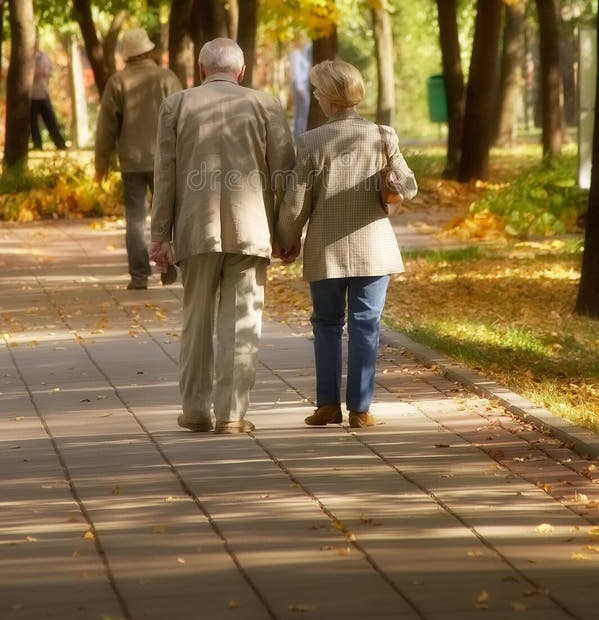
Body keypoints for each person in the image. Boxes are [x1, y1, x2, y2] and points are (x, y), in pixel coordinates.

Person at [150, 38, 295, 435]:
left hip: (195, 229)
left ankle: (195, 410)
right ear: (241, 72)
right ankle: (231, 414)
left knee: (196, 319)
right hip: (251, 229)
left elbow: (164, 175)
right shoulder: (265, 105)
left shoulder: (176, 105)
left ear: (200, 70)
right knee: (242, 320)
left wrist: (160, 235)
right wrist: (286, 233)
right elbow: (285, 174)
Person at [276, 59, 417, 429]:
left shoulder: (310, 141)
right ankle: (360, 410)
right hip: (374, 247)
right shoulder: (384, 136)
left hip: (326, 248)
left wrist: (286, 240)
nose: (317, 98)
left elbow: (296, 200)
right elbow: (409, 187)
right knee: (366, 324)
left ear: (331, 97)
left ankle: (327, 405)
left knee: (325, 323)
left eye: (318, 91)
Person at [95, 28, 182, 290]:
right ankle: (170, 264)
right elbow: (183, 117)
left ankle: (139, 276)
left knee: (135, 218)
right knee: (171, 214)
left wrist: (101, 164)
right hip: (165, 159)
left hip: (131, 161)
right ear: (149, 50)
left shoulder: (117, 82)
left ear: (127, 55)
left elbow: (106, 127)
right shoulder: (166, 78)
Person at [30, 43, 67, 150]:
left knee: (51, 120)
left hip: (44, 93)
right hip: (32, 95)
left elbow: (52, 71)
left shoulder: (45, 56)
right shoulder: (28, 57)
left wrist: (44, 73)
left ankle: (60, 143)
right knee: (33, 123)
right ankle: (37, 144)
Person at [289, 35, 312, 140]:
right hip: (300, 86)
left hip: (302, 86)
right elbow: (296, 73)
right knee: (302, 113)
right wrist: (300, 88)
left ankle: (300, 136)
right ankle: (299, 137)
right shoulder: (296, 54)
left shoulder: (303, 53)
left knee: (302, 113)